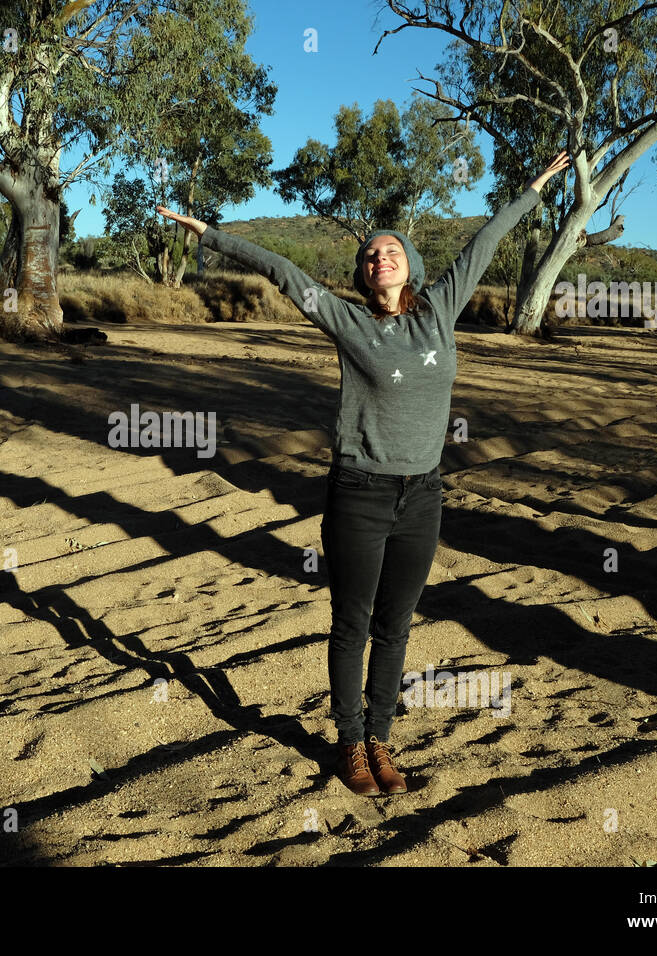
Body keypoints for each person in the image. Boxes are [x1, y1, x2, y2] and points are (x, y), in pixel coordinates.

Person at [156, 150, 570, 796]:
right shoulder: (347, 322)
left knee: (396, 626)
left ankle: (380, 737)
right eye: (371, 254)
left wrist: (534, 188)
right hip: (360, 493)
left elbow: (485, 241)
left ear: (411, 265)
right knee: (352, 623)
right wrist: (210, 235)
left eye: (392, 250)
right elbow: (283, 271)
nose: (381, 257)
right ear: (362, 272)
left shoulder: (440, 309)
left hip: (423, 495)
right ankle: (350, 743)